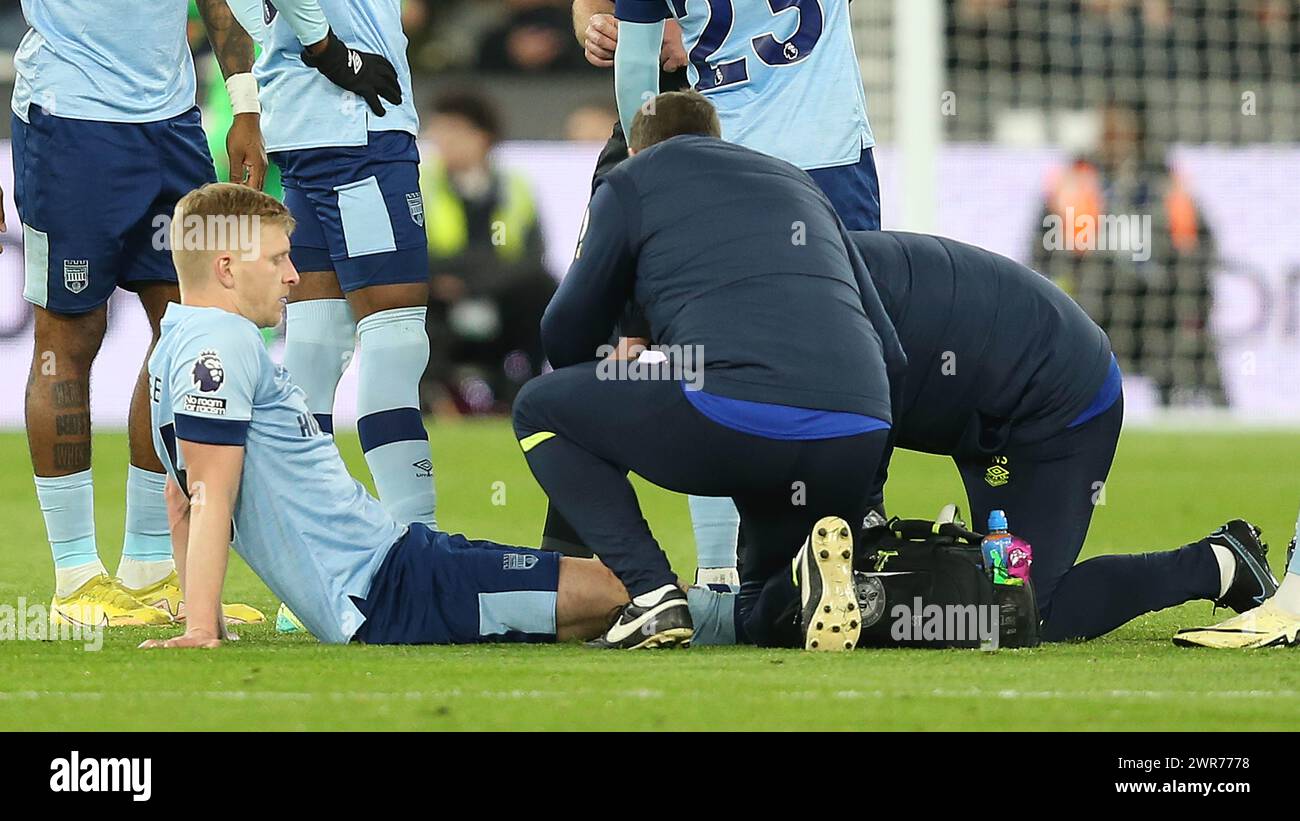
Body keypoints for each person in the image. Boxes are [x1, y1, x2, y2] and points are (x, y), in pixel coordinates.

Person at [685, 230, 1280, 647]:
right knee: (946, 582)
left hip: (1052, 406)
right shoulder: (782, 290)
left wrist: (849, 528)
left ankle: (1222, 564)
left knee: (1017, 606)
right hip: (981, 403)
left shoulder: (790, 318)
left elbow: (856, 414)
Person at [139, 183, 641, 650]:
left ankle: (704, 609)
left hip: (400, 564)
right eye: (277, 260)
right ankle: (716, 612)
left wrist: (205, 622)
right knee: (623, 590)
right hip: (388, 588)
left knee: (609, 593)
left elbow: (179, 496)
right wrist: (203, 629)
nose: (293, 274)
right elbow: (208, 494)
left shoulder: (172, 345)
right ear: (227, 268)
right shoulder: (224, 343)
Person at [511, 91, 905, 650]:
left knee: (540, 406)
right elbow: (892, 353)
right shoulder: (798, 183)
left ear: (639, 148)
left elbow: (565, 332)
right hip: (854, 432)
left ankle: (651, 594)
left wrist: (629, 333)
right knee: (760, 611)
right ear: (716, 137)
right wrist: (865, 491)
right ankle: (807, 586)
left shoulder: (632, 179)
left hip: (734, 418)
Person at [577, 0, 882, 585]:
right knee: (851, 354)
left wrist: (651, 161)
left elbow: (636, 72)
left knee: (711, 359)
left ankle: (721, 578)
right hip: (828, 159)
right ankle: (858, 528)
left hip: (720, 164)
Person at [13, 0, 267, 626]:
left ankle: (150, 567)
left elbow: (217, 5)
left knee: (189, 326)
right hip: (69, 121)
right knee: (71, 332)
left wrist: (247, 108)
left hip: (173, 123)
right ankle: (75, 578)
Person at [223, 0, 438, 530]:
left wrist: (271, 43)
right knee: (396, 344)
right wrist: (329, 49)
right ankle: (419, 545)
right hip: (358, 126)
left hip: (295, 126)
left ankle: (316, 560)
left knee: (312, 354)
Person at [419, 89, 554, 414]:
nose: (442, 141)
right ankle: (435, 398)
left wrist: (473, 281)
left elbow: (531, 256)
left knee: (542, 289)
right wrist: (448, 278)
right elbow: (411, 251)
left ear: (482, 136)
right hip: (439, 297)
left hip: (500, 296)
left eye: (452, 131)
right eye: (438, 131)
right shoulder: (421, 183)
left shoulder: (515, 187)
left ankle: (528, 392)